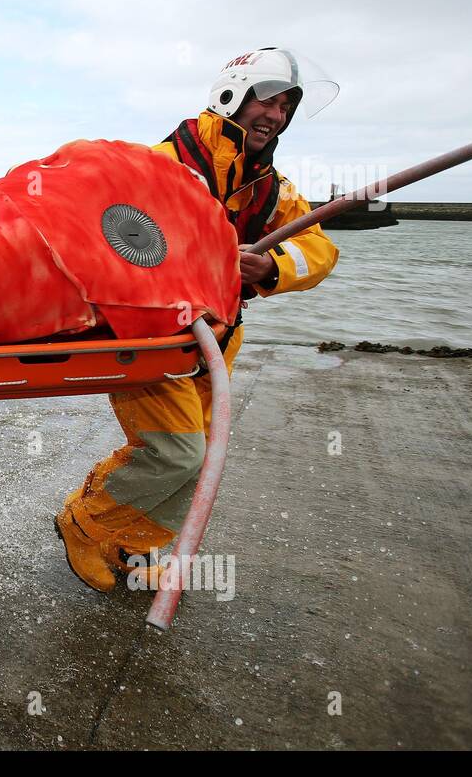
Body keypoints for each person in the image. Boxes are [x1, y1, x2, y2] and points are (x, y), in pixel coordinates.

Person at [56, 47, 341, 591]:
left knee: (205, 456)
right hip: (153, 337)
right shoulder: (160, 165)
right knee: (176, 452)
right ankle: (84, 521)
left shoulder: (271, 187)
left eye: (286, 108)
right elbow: (104, 235)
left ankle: (132, 547)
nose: (276, 116)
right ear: (234, 95)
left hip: (220, 338)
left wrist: (273, 266)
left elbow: (318, 247)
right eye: (268, 102)